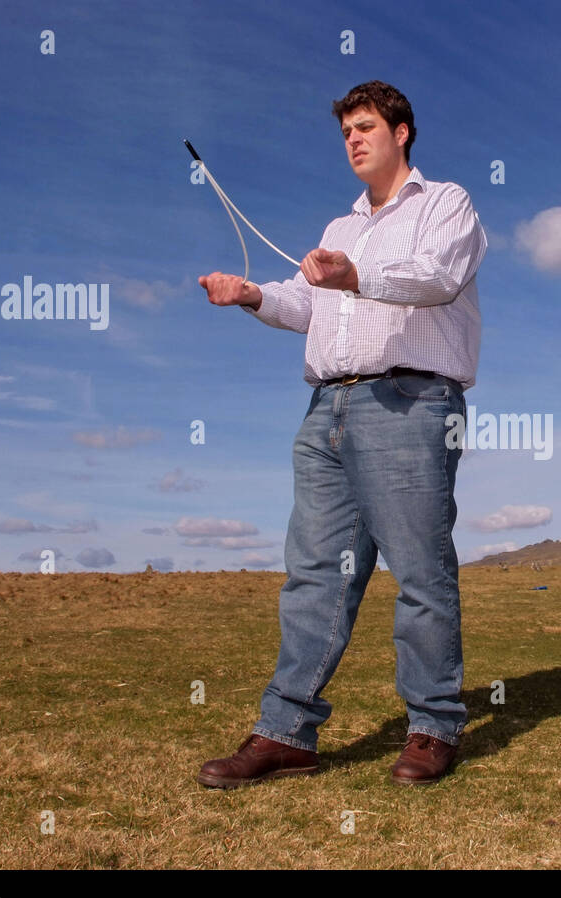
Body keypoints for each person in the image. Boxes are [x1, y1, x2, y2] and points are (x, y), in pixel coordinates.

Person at [195, 80, 487, 787]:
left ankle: (433, 724)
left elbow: (436, 276)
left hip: (412, 400)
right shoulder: (338, 228)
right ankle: (286, 731)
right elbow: (311, 305)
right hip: (328, 409)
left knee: (419, 569)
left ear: (402, 131)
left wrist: (357, 274)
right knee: (316, 574)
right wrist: (255, 295)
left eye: (365, 127)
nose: (353, 140)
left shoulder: (447, 204)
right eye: (346, 132)